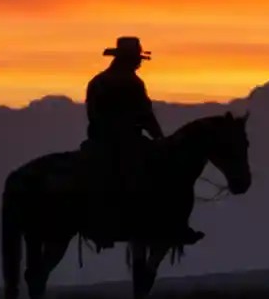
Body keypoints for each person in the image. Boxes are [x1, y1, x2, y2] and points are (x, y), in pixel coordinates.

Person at [82, 36, 204, 247]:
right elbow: (145, 115)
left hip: (98, 141)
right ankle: (172, 225)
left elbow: (93, 114)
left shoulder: (97, 81)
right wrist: (159, 138)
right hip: (127, 142)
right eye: (137, 59)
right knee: (163, 174)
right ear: (129, 60)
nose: (139, 63)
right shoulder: (133, 83)